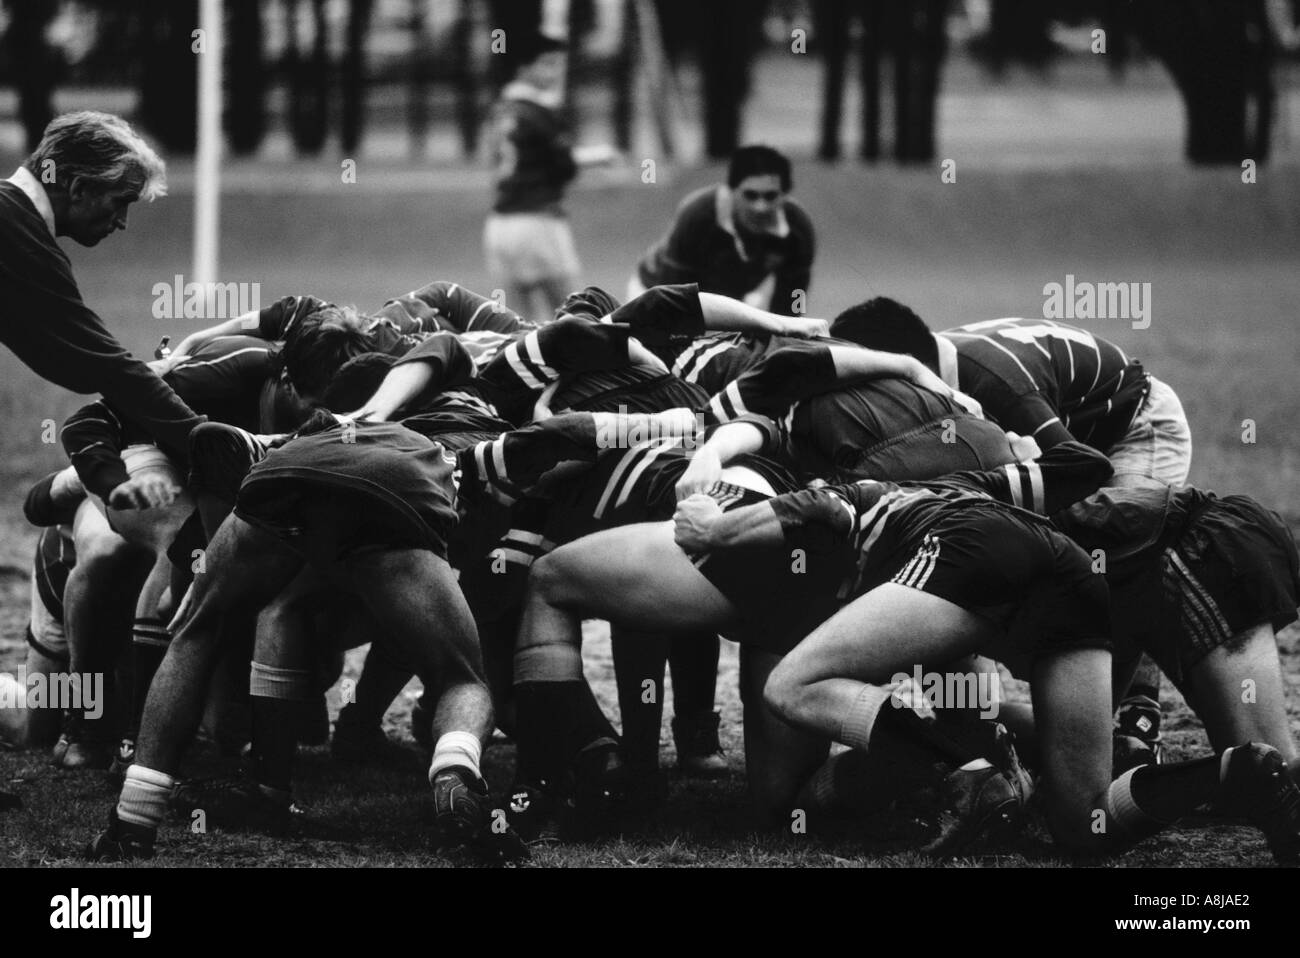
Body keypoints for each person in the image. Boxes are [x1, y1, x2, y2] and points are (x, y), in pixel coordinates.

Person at [0, 111, 203, 492]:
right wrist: (211, 440)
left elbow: (76, 362)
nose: (123, 221)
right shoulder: (15, 232)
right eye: (120, 201)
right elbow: (99, 367)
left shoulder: (13, 217)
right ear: (78, 189)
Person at [629, 145, 815, 317]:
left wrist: (789, 337)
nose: (760, 207)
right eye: (750, 195)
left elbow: (794, 297)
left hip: (732, 298)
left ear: (784, 194)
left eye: (770, 196)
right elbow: (673, 296)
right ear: (732, 190)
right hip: (654, 290)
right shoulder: (698, 215)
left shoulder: (798, 230)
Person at [484, 33, 581, 325]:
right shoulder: (541, 113)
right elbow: (564, 168)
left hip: (499, 226)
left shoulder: (502, 108)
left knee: (517, 326)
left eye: (558, 64)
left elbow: (518, 160)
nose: (555, 73)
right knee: (576, 317)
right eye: (548, 64)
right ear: (524, 68)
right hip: (538, 222)